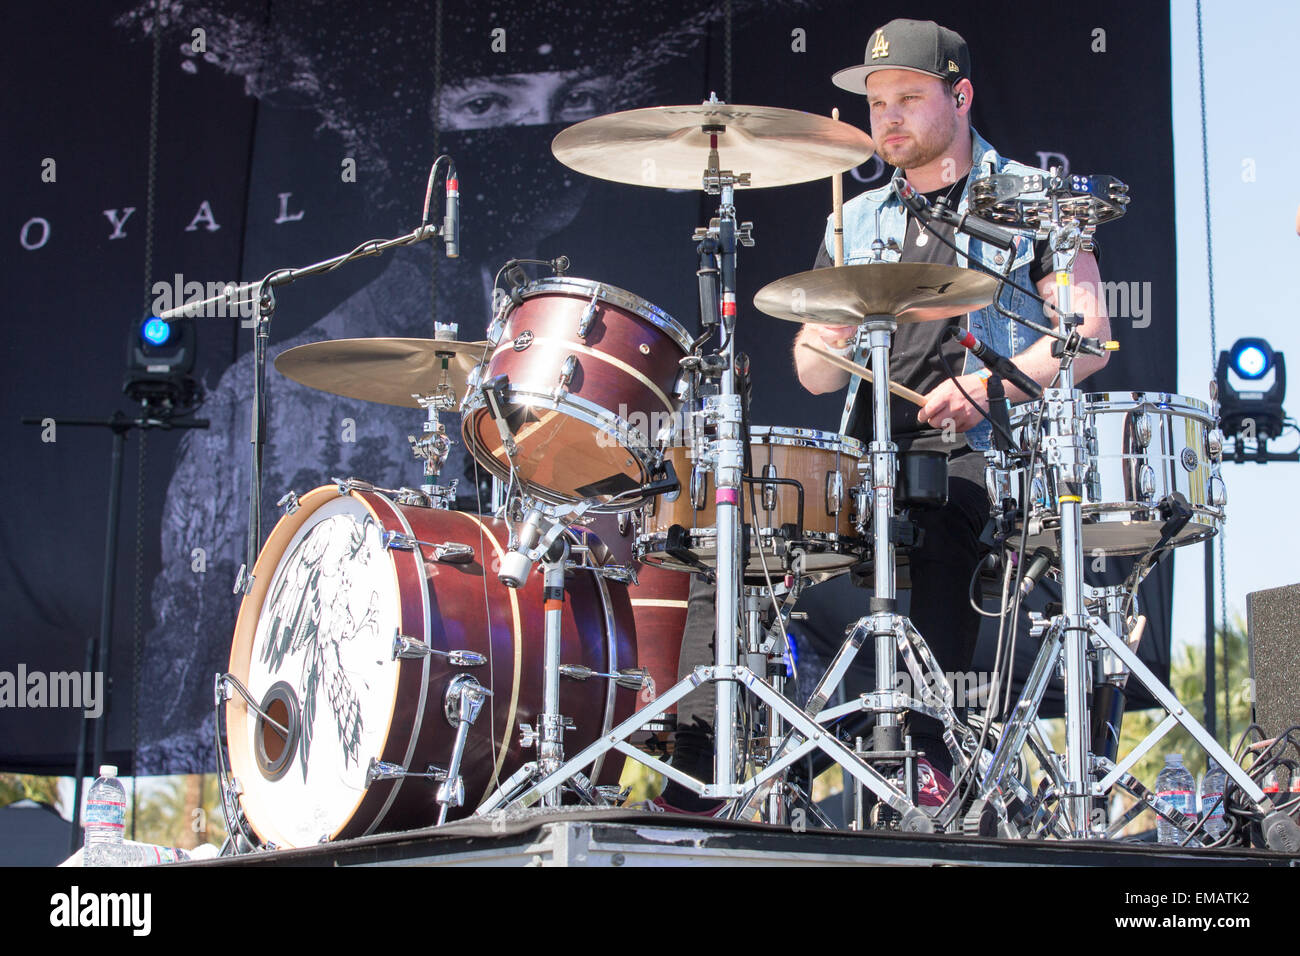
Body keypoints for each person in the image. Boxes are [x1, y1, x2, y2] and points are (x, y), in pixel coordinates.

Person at [789, 18, 1111, 800]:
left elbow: (1089, 338)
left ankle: (920, 762)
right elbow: (811, 373)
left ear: (960, 96)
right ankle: (718, 774)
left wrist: (986, 390)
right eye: (876, 105)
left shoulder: (1034, 201)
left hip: (976, 459)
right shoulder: (856, 221)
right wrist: (829, 328)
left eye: (907, 98)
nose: (887, 119)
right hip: (867, 456)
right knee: (747, 544)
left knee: (928, 522)